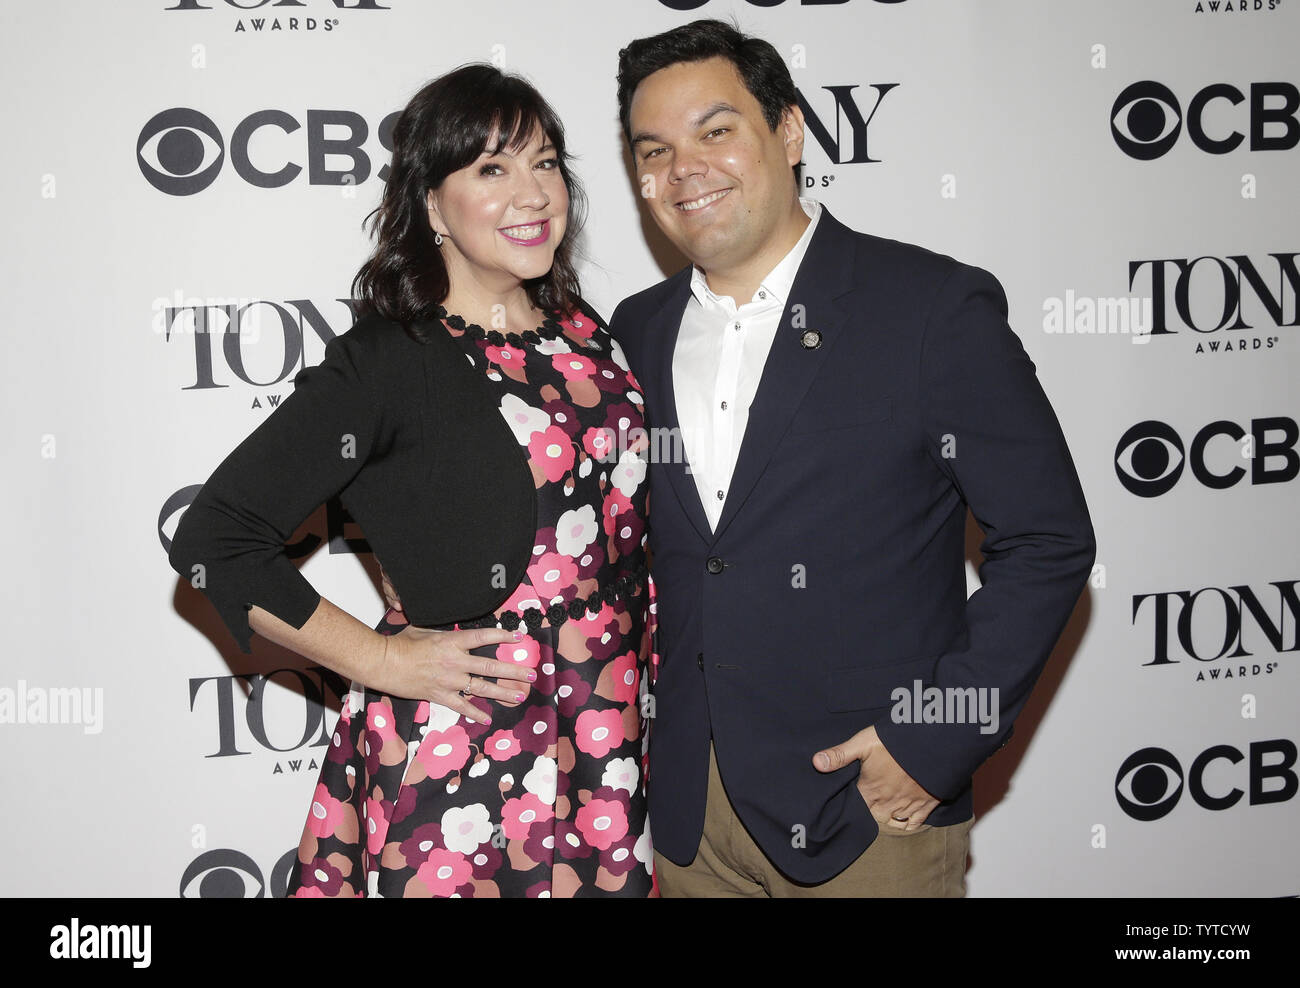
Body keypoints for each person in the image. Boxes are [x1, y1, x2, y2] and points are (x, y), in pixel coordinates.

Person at [607, 19, 1097, 896]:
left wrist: (935, 739)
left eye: (716, 132)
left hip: (865, 816)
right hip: (687, 815)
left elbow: (1050, 540)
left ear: (789, 131)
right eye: (655, 149)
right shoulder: (636, 329)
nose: (684, 169)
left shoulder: (928, 307)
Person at [168, 64, 655, 898]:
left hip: (607, 727)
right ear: (433, 205)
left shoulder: (591, 340)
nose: (532, 193)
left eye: (545, 164)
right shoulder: (391, 360)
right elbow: (214, 540)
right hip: (471, 749)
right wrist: (380, 660)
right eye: (491, 169)